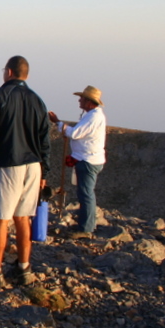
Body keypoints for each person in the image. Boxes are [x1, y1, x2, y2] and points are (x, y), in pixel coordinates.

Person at [0, 56, 50, 289]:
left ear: (8, 72)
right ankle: (23, 268)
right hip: (34, 165)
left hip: (9, 163)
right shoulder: (37, 99)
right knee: (23, 217)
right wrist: (45, 170)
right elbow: (44, 137)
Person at [48, 86, 106, 238]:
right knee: (86, 193)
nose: (79, 100)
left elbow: (75, 133)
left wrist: (57, 123)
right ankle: (87, 224)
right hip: (88, 158)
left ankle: (85, 228)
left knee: (85, 193)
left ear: (89, 101)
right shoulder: (93, 116)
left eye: (82, 98)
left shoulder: (93, 117)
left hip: (88, 160)